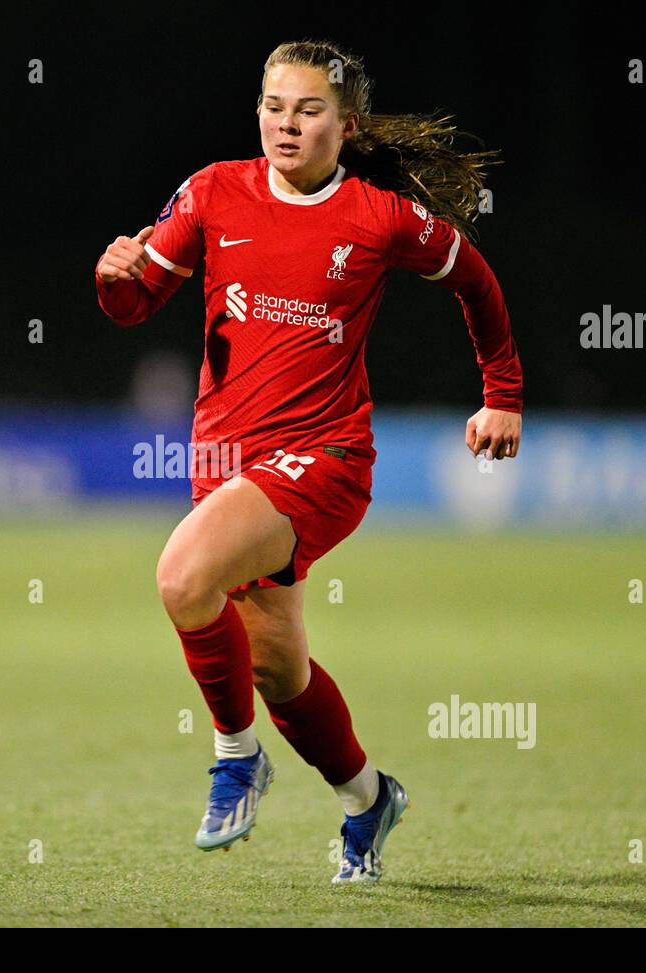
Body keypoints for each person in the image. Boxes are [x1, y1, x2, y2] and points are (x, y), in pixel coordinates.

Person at [93, 39, 523, 884]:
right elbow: (138, 302)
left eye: (309, 109)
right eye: (275, 107)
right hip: (224, 460)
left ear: (346, 124)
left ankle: (235, 757)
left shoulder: (379, 218)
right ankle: (369, 799)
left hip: (325, 458)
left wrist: (501, 388)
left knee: (183, 577)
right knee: (278, 667)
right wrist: (115, 279)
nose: (287, 125)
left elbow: (476, 281)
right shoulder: (214, 192)